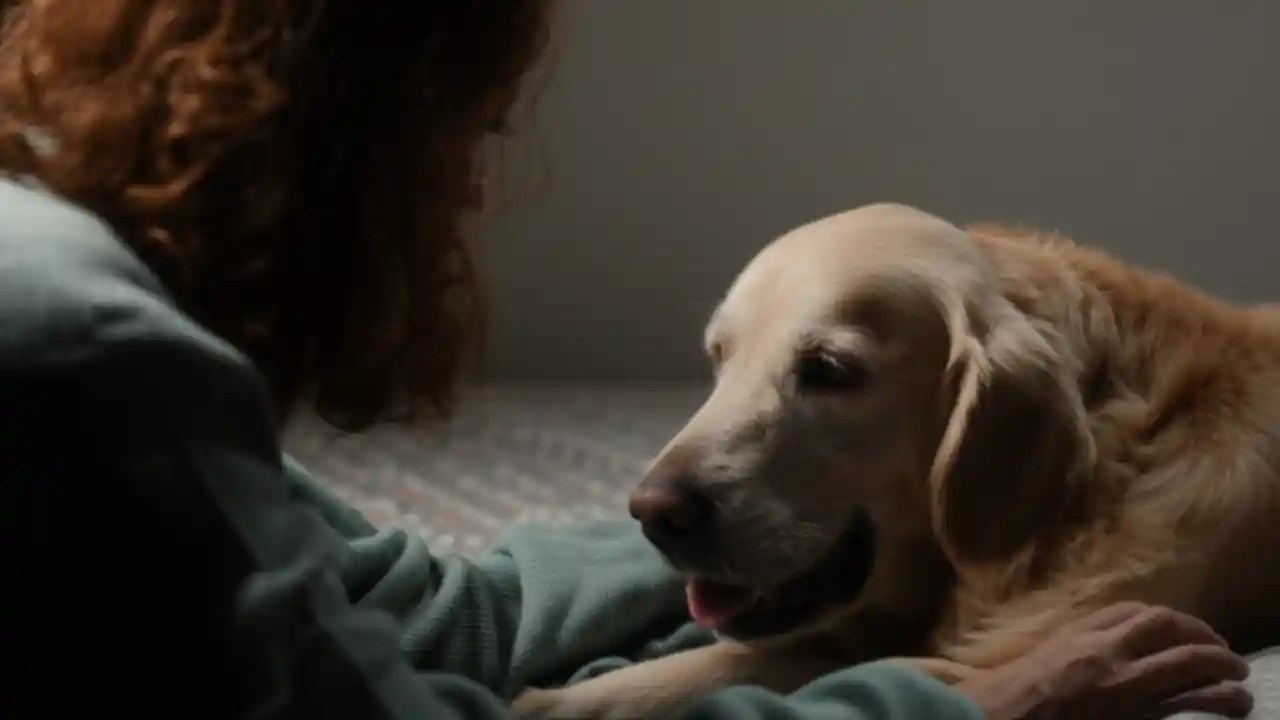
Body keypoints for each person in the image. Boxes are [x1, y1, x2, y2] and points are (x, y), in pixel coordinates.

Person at [0, 2, 1252, 718]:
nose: (473, 189)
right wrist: (968, 708)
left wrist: (834, 540)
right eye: (466, 136)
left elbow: (431, 615)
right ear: (346, 133)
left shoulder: (61, 279)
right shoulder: (84, 364)